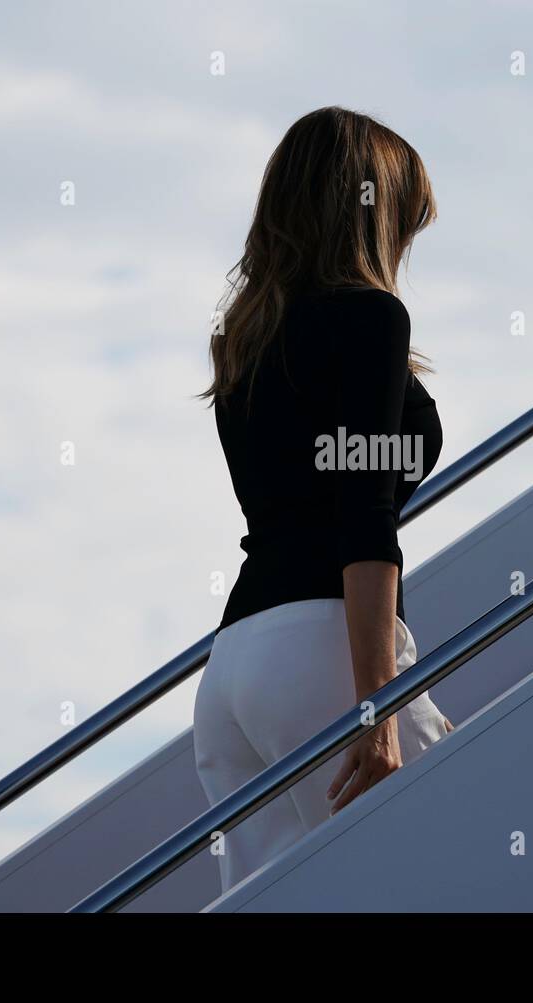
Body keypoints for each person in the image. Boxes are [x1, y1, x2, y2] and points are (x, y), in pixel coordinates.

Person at [194, 106, 453, 894]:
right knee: (457, 863)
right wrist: (375, 705)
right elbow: (364, 514)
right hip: (321, 651)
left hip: (234, 670)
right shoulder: (370, 318)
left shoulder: (244, 342)